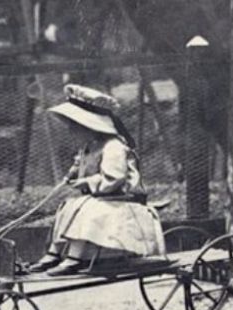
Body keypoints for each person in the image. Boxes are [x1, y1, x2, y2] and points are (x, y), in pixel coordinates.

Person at [27, 84, 165, 276]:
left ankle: (75, 258)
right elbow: (80, 164)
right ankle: (54, 254)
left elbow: (115, 178)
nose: (71, 131)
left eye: (75, 126)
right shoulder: (91, 145)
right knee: (69, 206)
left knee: (88, 209)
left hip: (123, 199)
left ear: (89, 126)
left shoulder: (113, 146)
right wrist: (72, 175)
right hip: (104, 197)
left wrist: (87, 182)